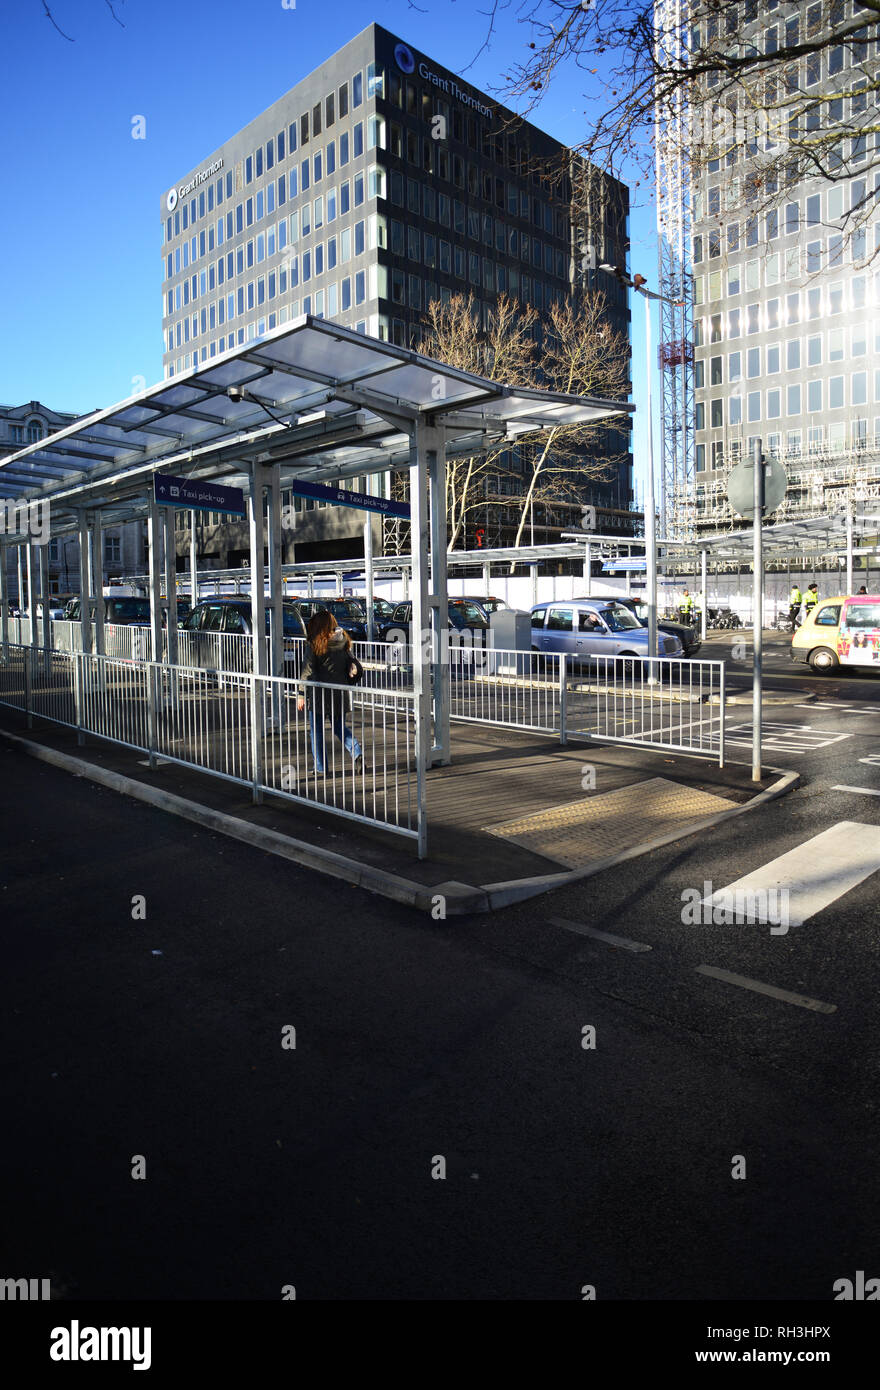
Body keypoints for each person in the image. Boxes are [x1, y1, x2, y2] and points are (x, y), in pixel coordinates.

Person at [296, 610, 363, 774]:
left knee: (316, 731)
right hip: (339, 692)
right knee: (340, 727)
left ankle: (321, 767)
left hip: (318, 694)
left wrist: (301, 695)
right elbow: (351, 663)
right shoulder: (343, 641)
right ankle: (356, 752)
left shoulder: (314, 644)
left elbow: (307, 671)